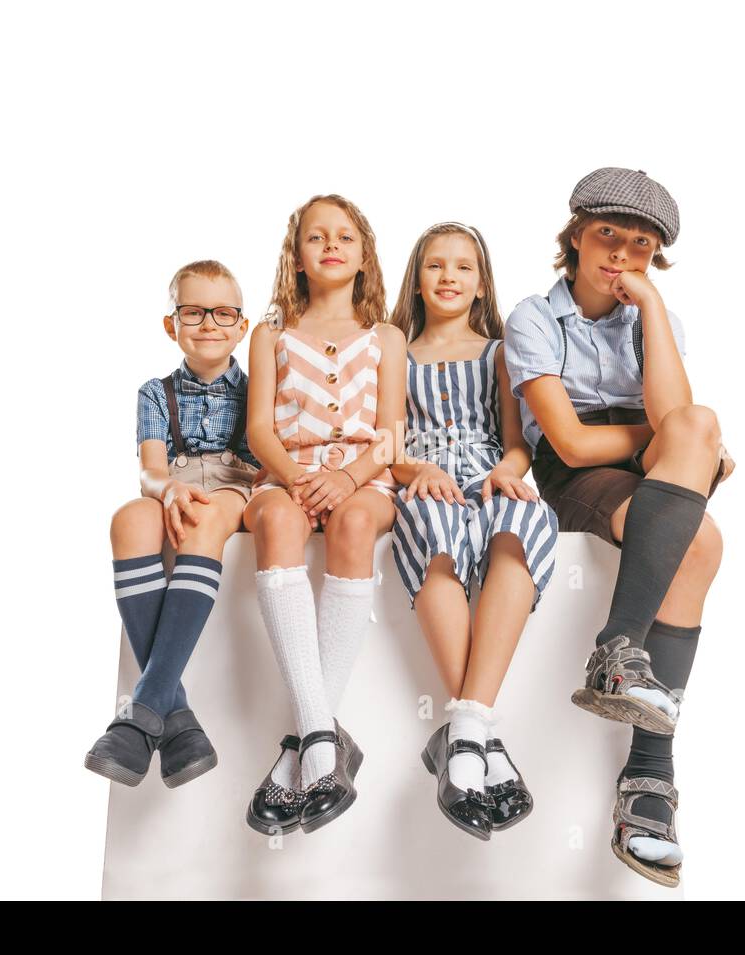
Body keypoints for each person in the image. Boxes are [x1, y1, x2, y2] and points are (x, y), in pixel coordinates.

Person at [504, 167, 734, 886]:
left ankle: (617, 654)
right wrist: (659, 447)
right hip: (574, 478)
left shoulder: (652, 317)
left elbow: (677, 421)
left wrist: (654, 314)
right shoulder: (533, 318)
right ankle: (648, 781)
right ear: (575, 235)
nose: (621, 256)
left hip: (646, 472)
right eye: (608, 235)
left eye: (640, 246)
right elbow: (569, 443)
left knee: (699, 432)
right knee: (701, 532)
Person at [388, 222, 558, 841]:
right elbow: (390, 443)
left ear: (480, 281)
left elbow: (517, 446)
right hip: (425, 475)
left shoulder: (499, 350)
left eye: (463, 267)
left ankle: (463, 730)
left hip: (488, 472)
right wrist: (417, 470)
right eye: (436, 266)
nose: (449, 278)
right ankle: (479, 738)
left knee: (521, 520)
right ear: (418, 278)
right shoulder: (395, 353)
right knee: (434, 531)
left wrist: (507, 474)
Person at [242, 194, 406, 836]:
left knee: (356, 523)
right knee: (278, 523)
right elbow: (259, 430)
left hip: (362, 474)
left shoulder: (386, 338)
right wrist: (298, 478)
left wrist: (347, 477)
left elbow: (391, 434)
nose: (330, 245)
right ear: (298, 256)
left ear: (363, 255)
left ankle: (302, 744)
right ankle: (319, 732)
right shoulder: (271, 335)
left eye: (344, 236)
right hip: (288, 470)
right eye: (316, 237)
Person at [85, 260, 260, 789]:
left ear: (242, 326)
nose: (209, 323)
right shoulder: (155, 392)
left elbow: (263, 460)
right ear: (172, 324)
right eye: (193, 312)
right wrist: (168, 491)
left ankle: (143, 709)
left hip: (238, 487)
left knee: (208, 517)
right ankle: (177, 720)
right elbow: (150, 471)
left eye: (223, 313)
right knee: (129, 519)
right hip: (177, 483)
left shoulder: (257, 389)